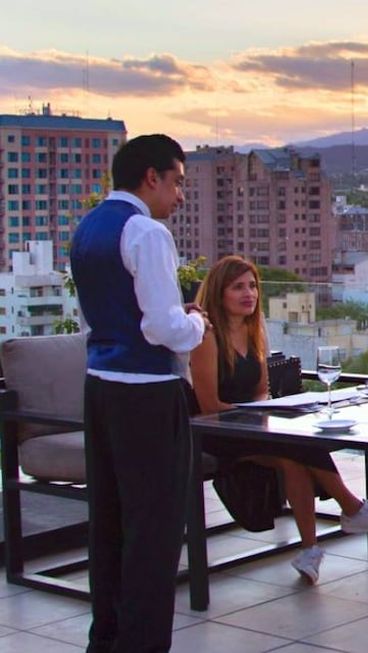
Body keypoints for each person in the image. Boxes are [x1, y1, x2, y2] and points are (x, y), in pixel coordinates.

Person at [71, 134, 209, 652]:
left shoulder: (87, 229)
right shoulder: (145, 233)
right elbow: (162, 328)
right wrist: (196, 324)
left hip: (100, 388)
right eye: (176, 182)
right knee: (154, 532)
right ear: (151, 177)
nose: (178, 197)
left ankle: (105, 640)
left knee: (108, 523)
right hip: (148, 395)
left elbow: (99, 316)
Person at [189, 255, 368, 584]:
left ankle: (311, 552)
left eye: (253, 287)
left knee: (294, 455)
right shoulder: (206, 337)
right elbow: (207, 405)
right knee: (296, 447)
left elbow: (262, 390)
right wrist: (251, 416)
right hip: (214, 430)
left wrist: (264, 412)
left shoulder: (253, 330)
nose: (249, 294)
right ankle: (352, 507)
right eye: (238, 288)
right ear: (219, 293)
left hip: (250, 424)